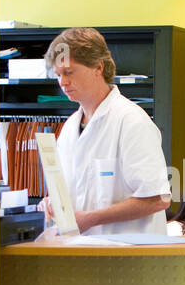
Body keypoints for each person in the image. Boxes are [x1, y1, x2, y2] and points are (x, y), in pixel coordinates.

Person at [40, 28, 171, 236]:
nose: (62, 82)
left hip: (130, 258)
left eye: (69, 72)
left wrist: (91, 219)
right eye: (57, 75)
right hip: (81, 254)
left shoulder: (131, 121)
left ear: (98, 67)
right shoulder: (69, 128)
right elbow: (72, 193)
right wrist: (53, 202)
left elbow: (158, 199)